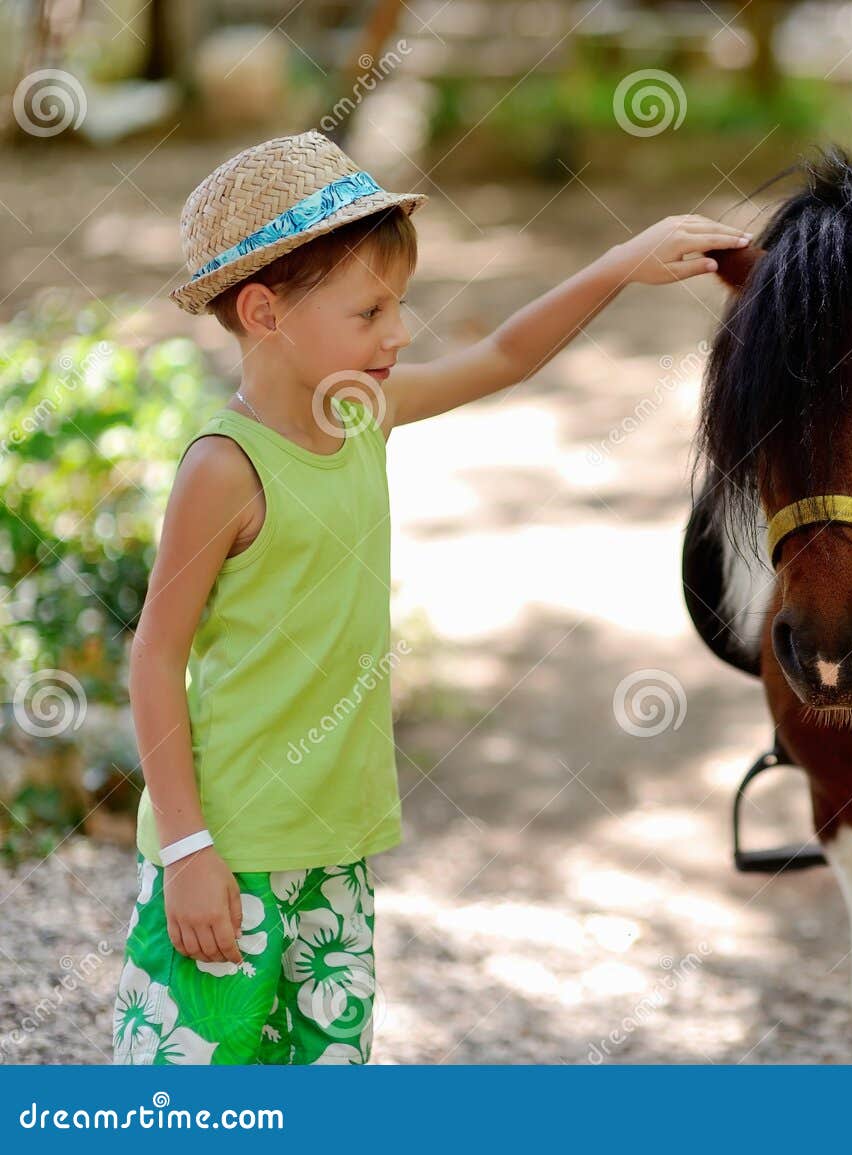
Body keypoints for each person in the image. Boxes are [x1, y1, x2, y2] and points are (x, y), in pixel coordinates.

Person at [110, 130, 750, 1064]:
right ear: (263, 312)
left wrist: (617, 264)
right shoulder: (225, 467)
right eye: (370, 311)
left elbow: (500, 355)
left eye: (397, 306)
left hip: (335, 843)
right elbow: (155, 654)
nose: (398, 333)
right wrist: (186, 849)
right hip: (229, 844)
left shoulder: (360, 411)